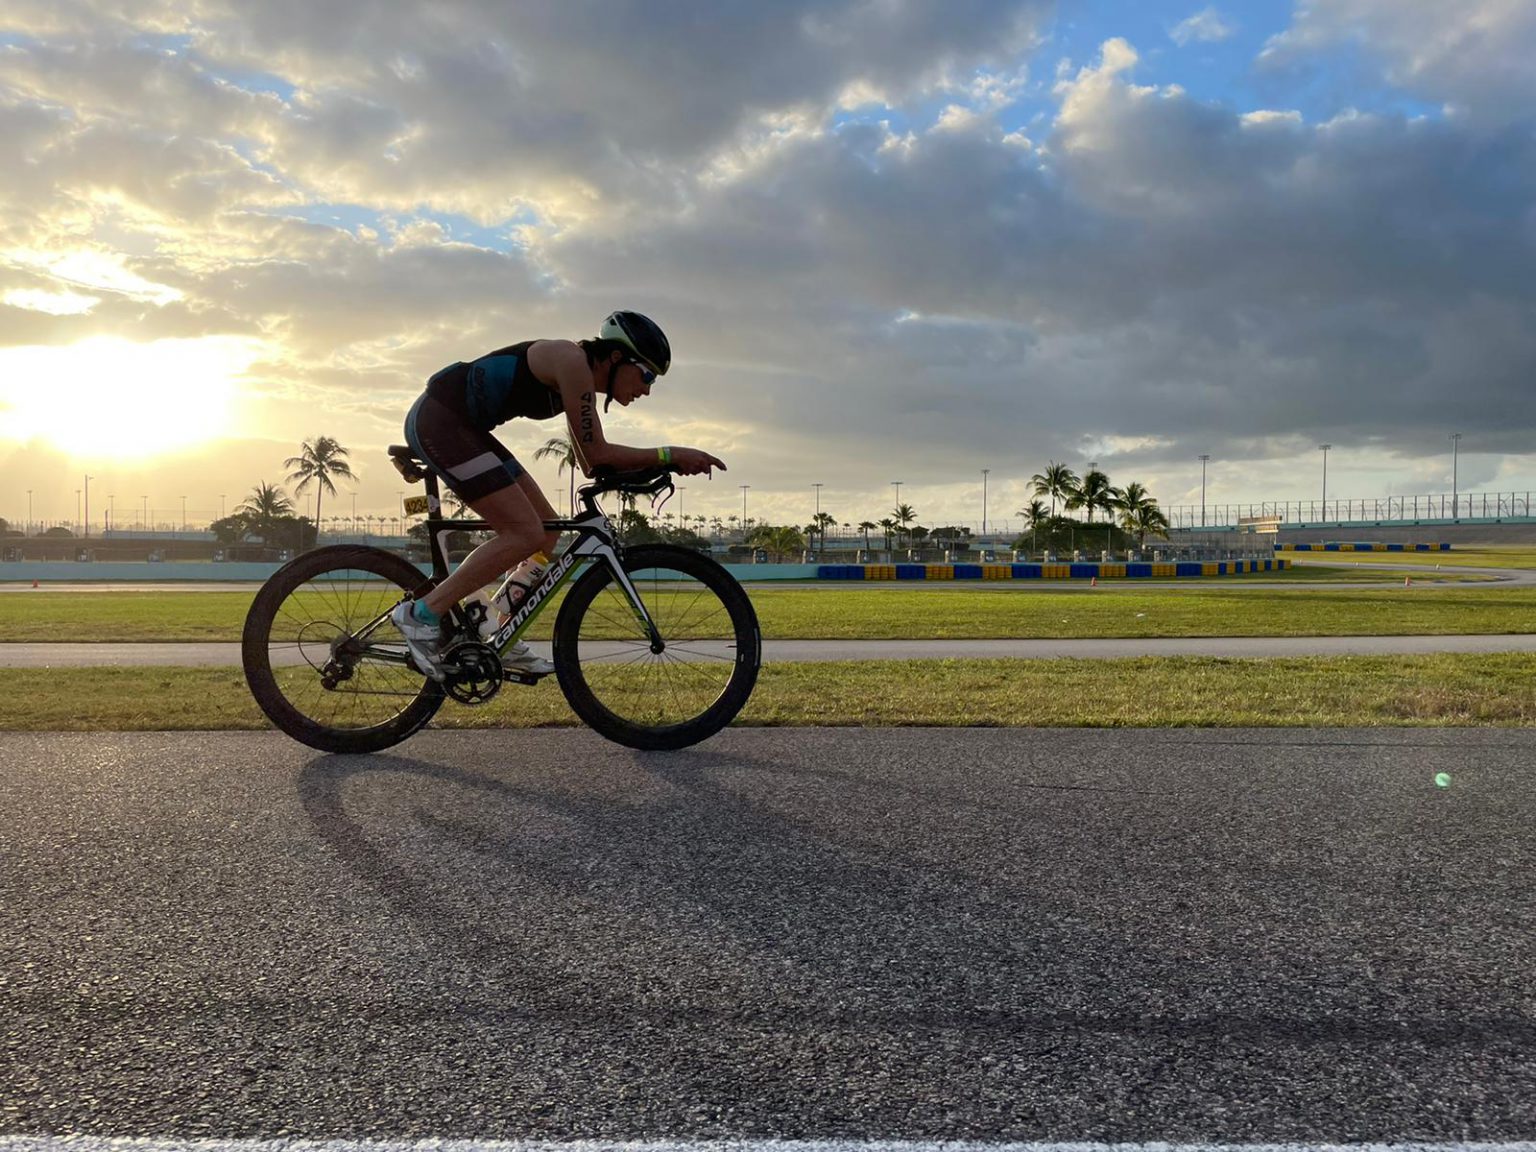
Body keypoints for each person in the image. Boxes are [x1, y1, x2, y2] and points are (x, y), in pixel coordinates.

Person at [392, 310, 726, 681]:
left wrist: (663, 465)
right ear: (616, 358)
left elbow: (589, 463)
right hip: (440, 422)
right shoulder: (572, 363)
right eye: (646, 375)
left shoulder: (576, 377)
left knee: (546, 531)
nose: (646, 388)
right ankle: (422, 613)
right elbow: (598, 454)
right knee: (524, 532)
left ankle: (500, 631)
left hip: (462, 427)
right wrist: (670, 454)